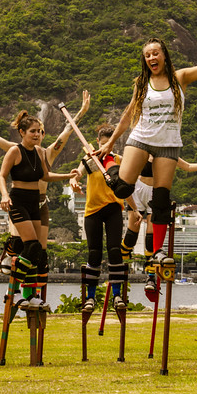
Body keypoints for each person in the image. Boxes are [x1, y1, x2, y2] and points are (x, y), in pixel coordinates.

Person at [102, 19, 197, 278]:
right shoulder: (141, 83)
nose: (151, 57)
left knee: (162, 200)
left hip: (167, 144)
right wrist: (110, 143)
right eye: (147, 55)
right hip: (141, 139)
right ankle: (107, 163)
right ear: (144, 60)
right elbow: (128, 114)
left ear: (164, 55)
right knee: (122, 188)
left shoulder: (180, 78)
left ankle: (156, 252)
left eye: (155, 53)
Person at [0, 109, 79, 311]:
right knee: (31, 246)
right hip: (18, 200)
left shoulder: (41, 152)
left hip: (35, 202)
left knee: (37, 253)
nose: (37, 134)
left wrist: (68, 175)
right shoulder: (14, 151)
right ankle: (13, 292)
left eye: (40, 131)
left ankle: (29, 295)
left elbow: (46, 176)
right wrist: (5, 195)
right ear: (22, 132)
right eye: (33, 131)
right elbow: (1, 176)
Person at [67, 124, 128, 315]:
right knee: (94, 253)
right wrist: (74, 180)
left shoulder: (118, 160)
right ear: (97, 143)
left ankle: (117, 295)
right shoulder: (90, 159)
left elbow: (130, 178)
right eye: (102, 145)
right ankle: (90, 297)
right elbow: (78, 172)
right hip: (93, 210)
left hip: (113, 208)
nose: (104, 150)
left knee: (115, 250)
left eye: (108, 146)